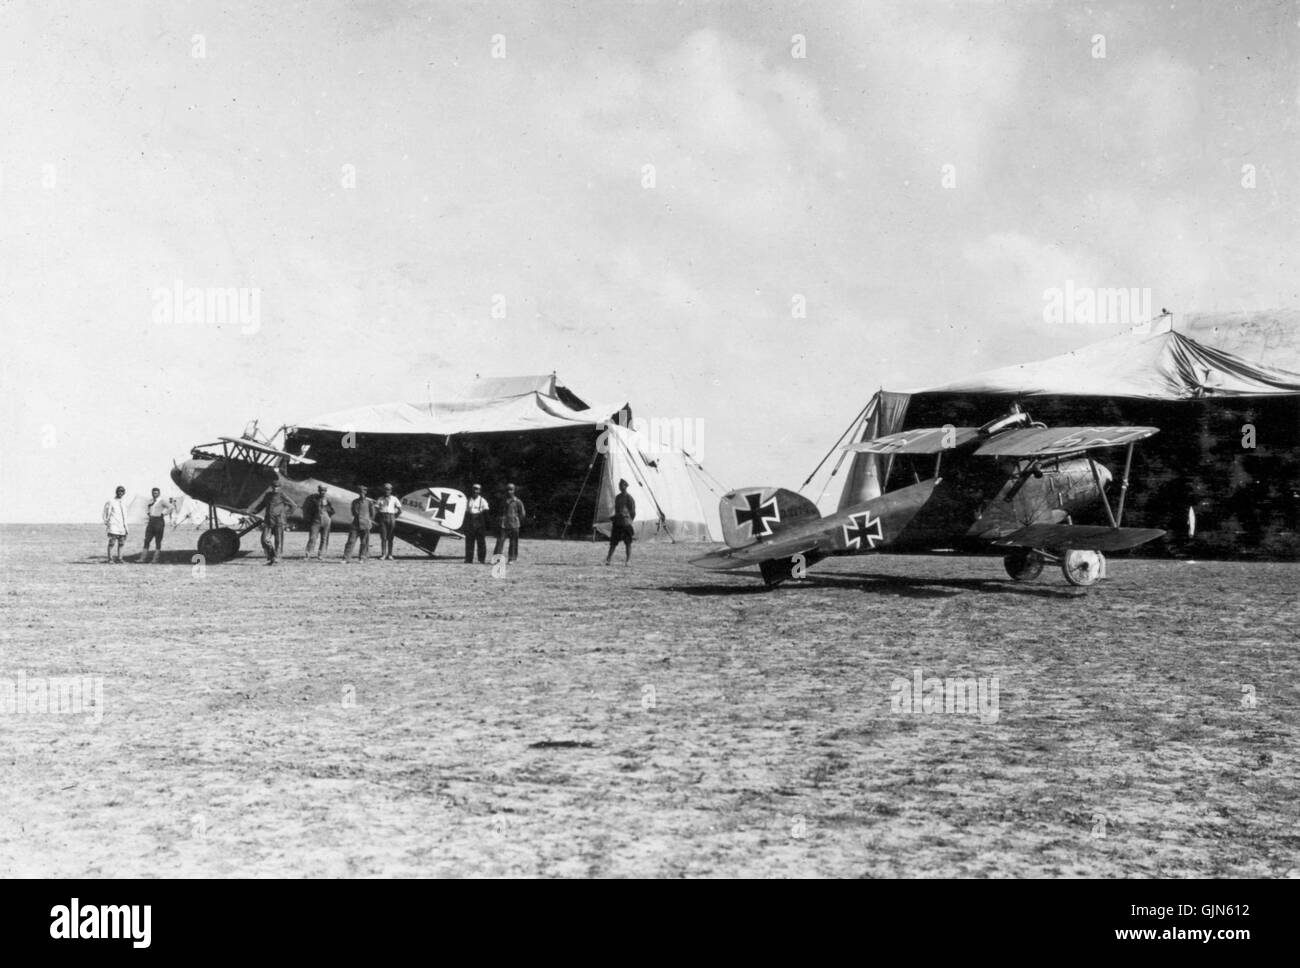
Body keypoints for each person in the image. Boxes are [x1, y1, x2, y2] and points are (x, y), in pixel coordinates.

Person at [251, 481, 296, 565]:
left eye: (277, 487)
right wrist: (252, 512)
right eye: (274, 487)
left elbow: (293, 505)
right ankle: (271, 556)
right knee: (264, 540)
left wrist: (285, 515)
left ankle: (277, 558)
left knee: (278, 541)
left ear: (280, 487)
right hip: (268, 521)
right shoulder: (268, 495)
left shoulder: (282, 495)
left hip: (279, 521)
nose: (275, 488)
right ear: (272, 487)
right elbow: (261, 505)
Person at [605, 478, 636, 566]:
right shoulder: (617, 497)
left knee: (628, 543)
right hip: (617, 523)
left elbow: (633, 512)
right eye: (619, 485)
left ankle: (628, 561)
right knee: (613, 543)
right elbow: (616, 509)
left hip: (626, 523)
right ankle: (608, 559)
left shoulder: (629, 498)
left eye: (622, 485)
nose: (620, 487)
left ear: (626, 486)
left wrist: (628, 520)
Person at [493, 483, 526, 563]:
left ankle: (511, 558)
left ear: (514, 491)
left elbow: (522, 513)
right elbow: (497, 511)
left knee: (513, 542)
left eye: (511, 489)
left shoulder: (517, 501)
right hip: (503, 524)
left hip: (514, 524)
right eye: (507, 489)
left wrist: (516, 520)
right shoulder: (502, 501)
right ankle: (497, 558)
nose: (509, 491)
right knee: (500, 542)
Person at [302, 484, 336, 560]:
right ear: (319, 491)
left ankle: (321, 554)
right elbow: (309, 509)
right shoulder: (313, 499)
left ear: (326, 492)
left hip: (326, 520)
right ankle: (308, 554)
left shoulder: (328, 500)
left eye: (324, 491)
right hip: (316, 520)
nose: (322, 492)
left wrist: (326, 507)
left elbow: (332, 511)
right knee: (312, 537)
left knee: (324, 538)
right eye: (321, 491)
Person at [344, 485, 376, 563]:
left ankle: (362, 557)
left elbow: (373, 513)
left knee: (364, 542)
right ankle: (346, 558)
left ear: (365, 492)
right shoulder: (355, 502)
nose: (362, 493)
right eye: (360, 492)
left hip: (365, 524)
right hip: (355, 524)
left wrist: (370, 521)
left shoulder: (369, 502)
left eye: (363, 492)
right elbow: (353, 512)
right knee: (351, 541)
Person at [142, 487, 172, 563]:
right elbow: (148, 508)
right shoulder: (150, 501)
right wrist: (148, 513)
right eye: (153, 493)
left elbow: (171, 507)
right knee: (147, 540)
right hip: (151, 521)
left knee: (158, 541)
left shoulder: (162, 501)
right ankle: (143, 558)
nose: (154, 494)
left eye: (156, 493)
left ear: (159, 493)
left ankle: (155, 559)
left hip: (159, 521)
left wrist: (163, 513)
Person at [463, 483, 489, 563]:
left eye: (477, 489)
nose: (475, 491)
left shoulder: (483, 500)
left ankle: (481, 559)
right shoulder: (468, 500)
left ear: (480, 491)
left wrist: (486, 525)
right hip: (471, 521)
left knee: (481, 542)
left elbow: (486, 513)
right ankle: (469, 559)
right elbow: (466, 512)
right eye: (474, 489)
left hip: (479, 522)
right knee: (469, 542)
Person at [375, 482, 402, 560]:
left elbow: (400, 510)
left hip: (391, 517)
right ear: (383, 490)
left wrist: (394, 517)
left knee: (390, 537)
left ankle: (390, 554)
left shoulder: (394, 498)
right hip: (383, 517)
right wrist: (379, 516)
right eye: (386, 489)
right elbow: (376, 508)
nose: (387, 491)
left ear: (391, 490)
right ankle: (383, 554)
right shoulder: (380, 498)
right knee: (383, 537)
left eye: (389, 489)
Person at [103, 485, 128, 564]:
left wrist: (125, 526)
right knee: (112, 542)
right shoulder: (111, 501)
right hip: (113, 525)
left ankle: (120, 558)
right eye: (119, 491)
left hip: (122, 526)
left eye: (122, 492)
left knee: (121, 543)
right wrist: (107, 522)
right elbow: (106, 512)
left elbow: (125, 515)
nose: (120, 493)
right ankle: (110, 559)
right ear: (116, 492)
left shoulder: (124, 502)